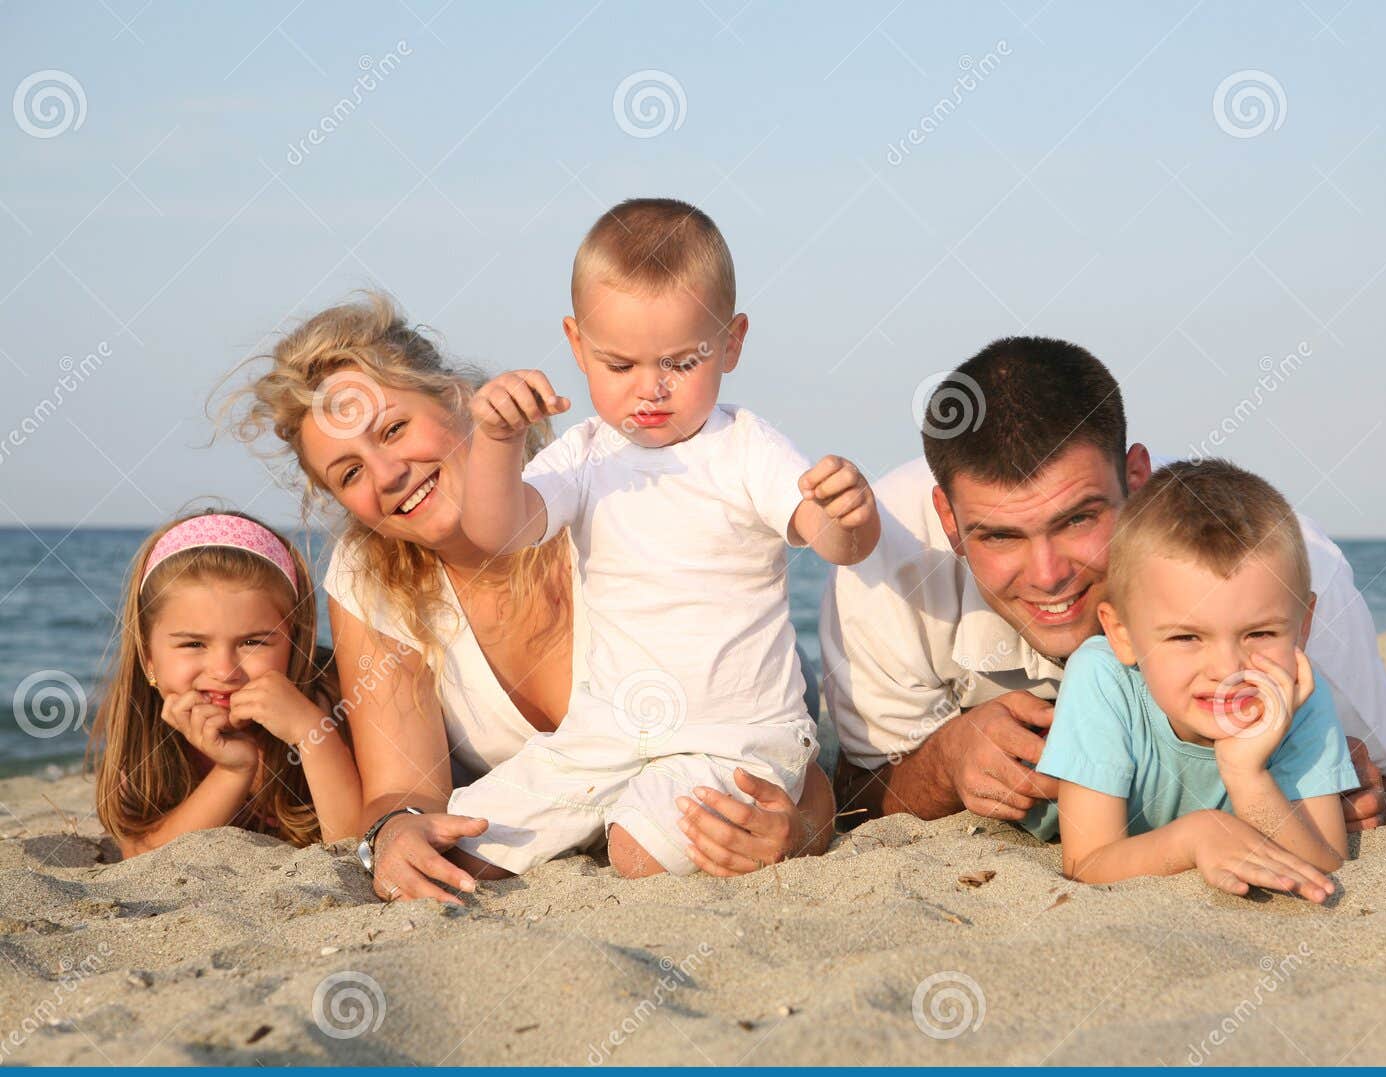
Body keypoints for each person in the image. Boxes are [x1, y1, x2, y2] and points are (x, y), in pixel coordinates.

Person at [227, 293, 837, 904]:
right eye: (350, 474)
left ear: (458, 399)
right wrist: (394, 834)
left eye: (394, 429)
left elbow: (805, 783)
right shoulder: (372, 576)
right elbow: (404, 790)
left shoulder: (593, 492)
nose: (387, 474)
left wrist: (794, 833)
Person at [822, 336, 1386, 834]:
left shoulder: (1272, 570)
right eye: (1000, 537)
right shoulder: (888, 557)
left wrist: (1372, 802)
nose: (1048, 576)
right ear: (949, 520)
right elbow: (853, 790)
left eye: (1079, 519)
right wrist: (945, 762)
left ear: (1137, 478)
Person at [447, 197, 880, 877]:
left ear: (731, 342)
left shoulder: (743, 446)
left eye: (680, 362)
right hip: (604, 736)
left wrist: (851, 515)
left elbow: (831, 539)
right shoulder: (586, 453)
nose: (649, 389)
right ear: (576, 343)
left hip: (734, 735)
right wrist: (497, 442)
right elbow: (499, 531)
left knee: (641, 851)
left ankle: (647, 821)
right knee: (466, 844)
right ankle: (606, 810)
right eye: (619, 366)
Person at [1047, 460, 1356, 901]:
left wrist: (1246, 775)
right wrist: (1194, 838)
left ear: (1302, 626)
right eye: (1187, 636)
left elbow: (1324, 865)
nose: (1228, 669)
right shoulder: (1102, 678)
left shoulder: (1300, 695)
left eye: (1260, 633)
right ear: (1122, 634)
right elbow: (1086, 862)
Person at [91, 511, 362, 856]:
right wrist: (234, 770)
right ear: (149, 658)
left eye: (253, 642)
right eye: (193, 644)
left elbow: (355, 848)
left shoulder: (333, 700)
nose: (224, 671)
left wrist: (311, 732)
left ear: (294, 645)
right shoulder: (143, 730)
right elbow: (141, 855)